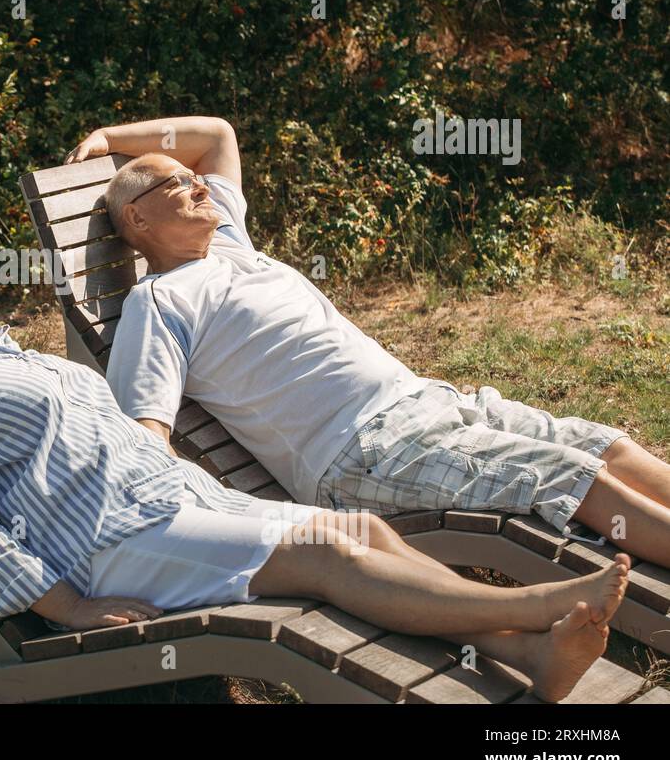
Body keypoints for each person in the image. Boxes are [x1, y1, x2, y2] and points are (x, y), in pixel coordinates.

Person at [0, 223, 630, 701]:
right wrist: (65, 605)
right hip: (112, 545)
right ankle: (538, 606)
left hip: (173, 500)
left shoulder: (4, 352)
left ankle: (526, 656)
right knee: (332, 556)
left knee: (366, 534)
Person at [66, 116, 670, 571]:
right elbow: (144, 434)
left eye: (196, 178)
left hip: (429, 402)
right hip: (363, 455)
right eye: (178, 183)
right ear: (137, 221)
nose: (199, 183)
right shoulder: (158, 302)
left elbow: (216, 135)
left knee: (603, 445)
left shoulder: (229, 245)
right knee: (570, 474)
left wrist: (109, 136)